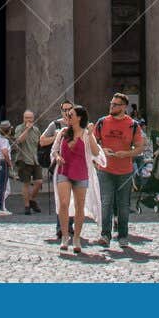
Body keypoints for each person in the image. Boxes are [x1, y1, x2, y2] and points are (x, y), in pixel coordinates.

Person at [93, 92, 143, 246]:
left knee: (123, 204)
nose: (111, 106)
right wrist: (102, 149)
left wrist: (127, 153)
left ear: (124, 107)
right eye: (111, 103)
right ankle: (105, 236)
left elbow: (140, 148)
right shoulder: (102, 122)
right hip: (105, 169)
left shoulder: (133, 125)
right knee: (106, 202)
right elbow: (92, 143)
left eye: (115, 104)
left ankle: (122, 236)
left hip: (125, 171)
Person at [51, 104, 99, 254]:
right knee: (64, 203)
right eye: (66, 114)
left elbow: (96, 153)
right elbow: (54, 151)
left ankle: (77, 237)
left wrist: (91, 135)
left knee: (79, 206)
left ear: (79, 117)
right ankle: (65, 236)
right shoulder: (63, 132)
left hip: (81, 172)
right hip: (64, 171)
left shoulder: (86, 134)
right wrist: (58, 157)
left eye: (70, 114)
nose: (67, 117)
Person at [39, 100, 76, 241]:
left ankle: (69, 225)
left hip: (74, 165)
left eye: (69, 109)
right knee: (62, 198)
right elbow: (42, 141)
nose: (67, 112)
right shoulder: (56, 125)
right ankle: (60, 228)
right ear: (61, 111)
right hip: (59, 166)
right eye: (64, 109)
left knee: (72, 198)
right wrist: (58, 135)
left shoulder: (77, 123)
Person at [12, 110, 44, 215]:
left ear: (33, 118)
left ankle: (31, 200)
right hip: (23, 159)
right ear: (23, 118)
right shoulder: (19, 128)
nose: (28, 120)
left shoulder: (36, 130)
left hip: (35, 159)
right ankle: (27, 206)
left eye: (30, 118)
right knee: (26, 184)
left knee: (39, 182)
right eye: (26, 118)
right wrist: (26, 129)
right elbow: (19, 141)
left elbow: (40, 143)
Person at [0, 121, 14, 215]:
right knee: (3, 187)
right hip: (3, 163)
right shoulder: (5, 140)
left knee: (1, 187)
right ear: (8, 130)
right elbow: (5, 152)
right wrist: (10, 163)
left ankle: (0, 206)